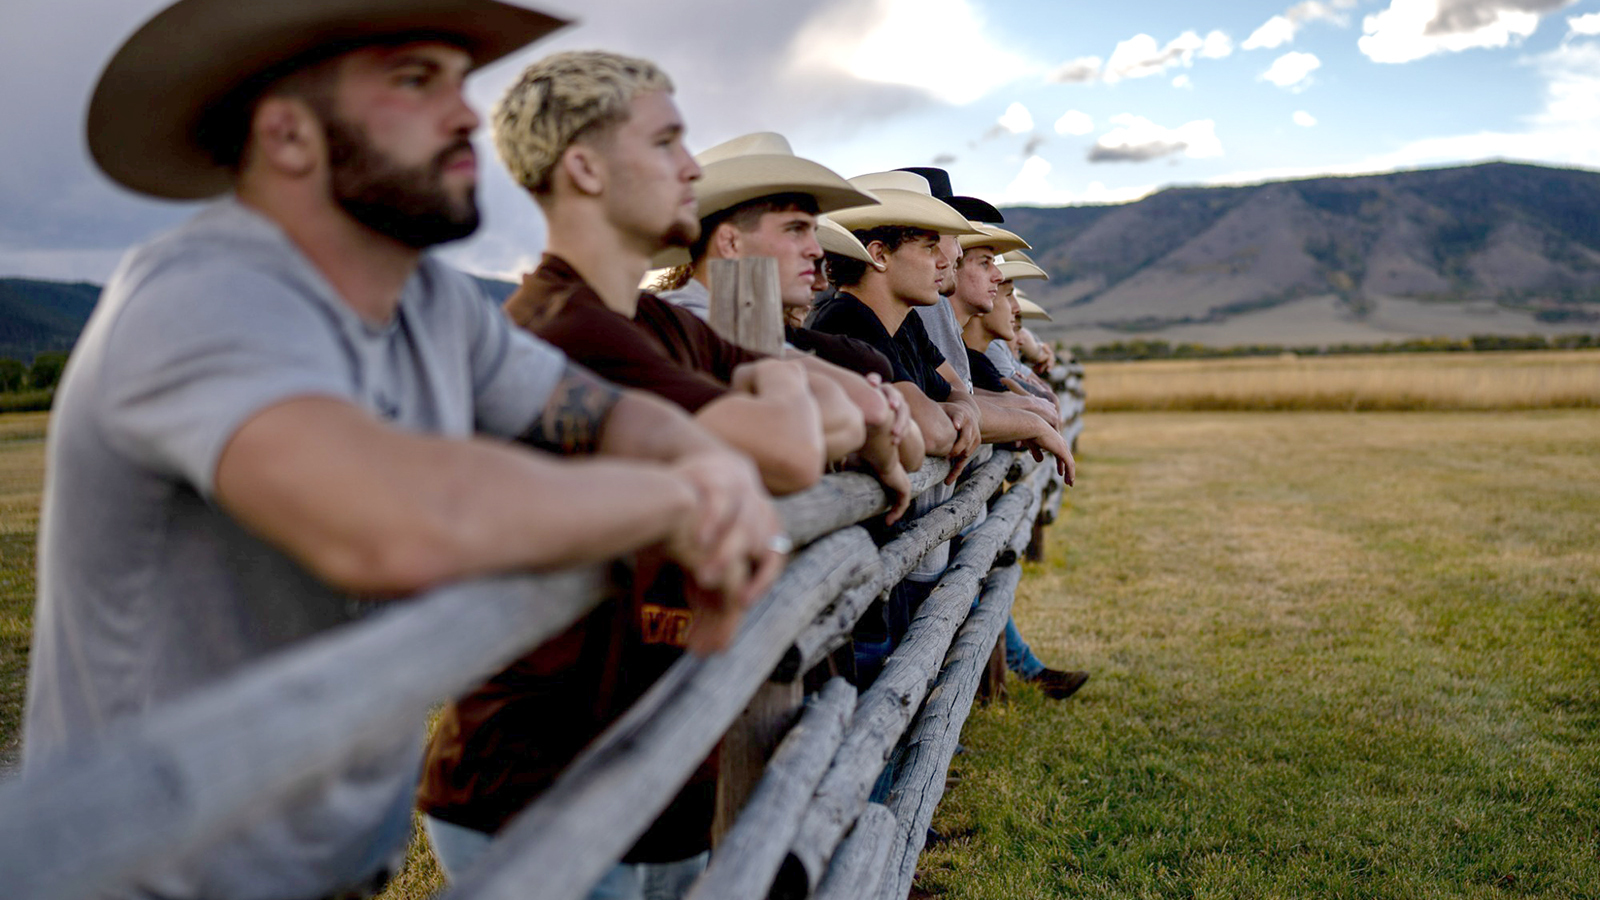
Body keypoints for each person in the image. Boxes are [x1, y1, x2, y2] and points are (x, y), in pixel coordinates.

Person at [23, 3, 785, 898]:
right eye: (416, 80)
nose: (467, 113)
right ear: (288, 133)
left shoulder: (431, 303)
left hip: (332, 865)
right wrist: (684, 504)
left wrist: (698, 462)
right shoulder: (205, 299)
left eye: (460, 79)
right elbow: (397, 522)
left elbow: (605, 414)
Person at [416, 52, 870, 898]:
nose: (692, 167)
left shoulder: (657, 319)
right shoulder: (571, 328)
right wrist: (777, 383)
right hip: (544, 789)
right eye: (665, 142)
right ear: (583, 168)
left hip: (654, 769)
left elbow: (866, 413)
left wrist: (778, 387)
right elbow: (801, 448)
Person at [652, 131, 924, 520]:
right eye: (795, 229)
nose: (816, 252)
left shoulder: (755, 330)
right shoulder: (685, 322)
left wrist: (879, 421)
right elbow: (874, 413)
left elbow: (909, 443)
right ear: (730, 243)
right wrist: (886, 457)